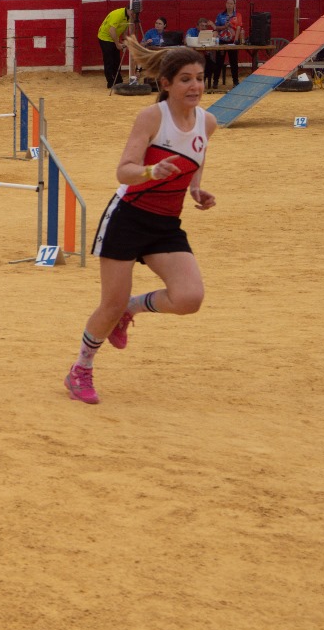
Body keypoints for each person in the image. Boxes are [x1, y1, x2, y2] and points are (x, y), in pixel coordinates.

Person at [65, 39, 216, 405]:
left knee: (189, 298)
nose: (195, 86)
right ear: (165, 83)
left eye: (199, 78)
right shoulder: (151, 117)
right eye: (185, 79)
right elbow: (124, 170)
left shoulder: (208, 122)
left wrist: (196, 189)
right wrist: (150, 171)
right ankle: (80, 370)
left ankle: (133, 308)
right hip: (127, 218)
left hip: (165, 224)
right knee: (109, 305)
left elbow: (196, 157)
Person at [96, 1, 139, 90]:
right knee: (109, 60)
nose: (134, 15)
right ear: (129, 9)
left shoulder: (128, 16)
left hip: (114, 37)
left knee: (116, 60)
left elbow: (124, 28)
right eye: (133, 13)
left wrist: (123, 40)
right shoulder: (118, 15)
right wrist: (117, 44)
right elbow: (111, 30)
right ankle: (110, 82)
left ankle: (118, 80)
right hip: (105, 37)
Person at [213, 0, 244, 87]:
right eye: (228, 3)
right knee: (219, 62)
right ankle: (215, 82)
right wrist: (224, 27)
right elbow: (215, 28)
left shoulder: (237, 15)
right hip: (222, 41)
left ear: (234, 5)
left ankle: (235, 81)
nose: (229, 5)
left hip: (232, 41)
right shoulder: (220, 15)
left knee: (234, 62)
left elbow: (238, 28)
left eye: (231, 3)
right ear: (225, 4)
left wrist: (236, 40)